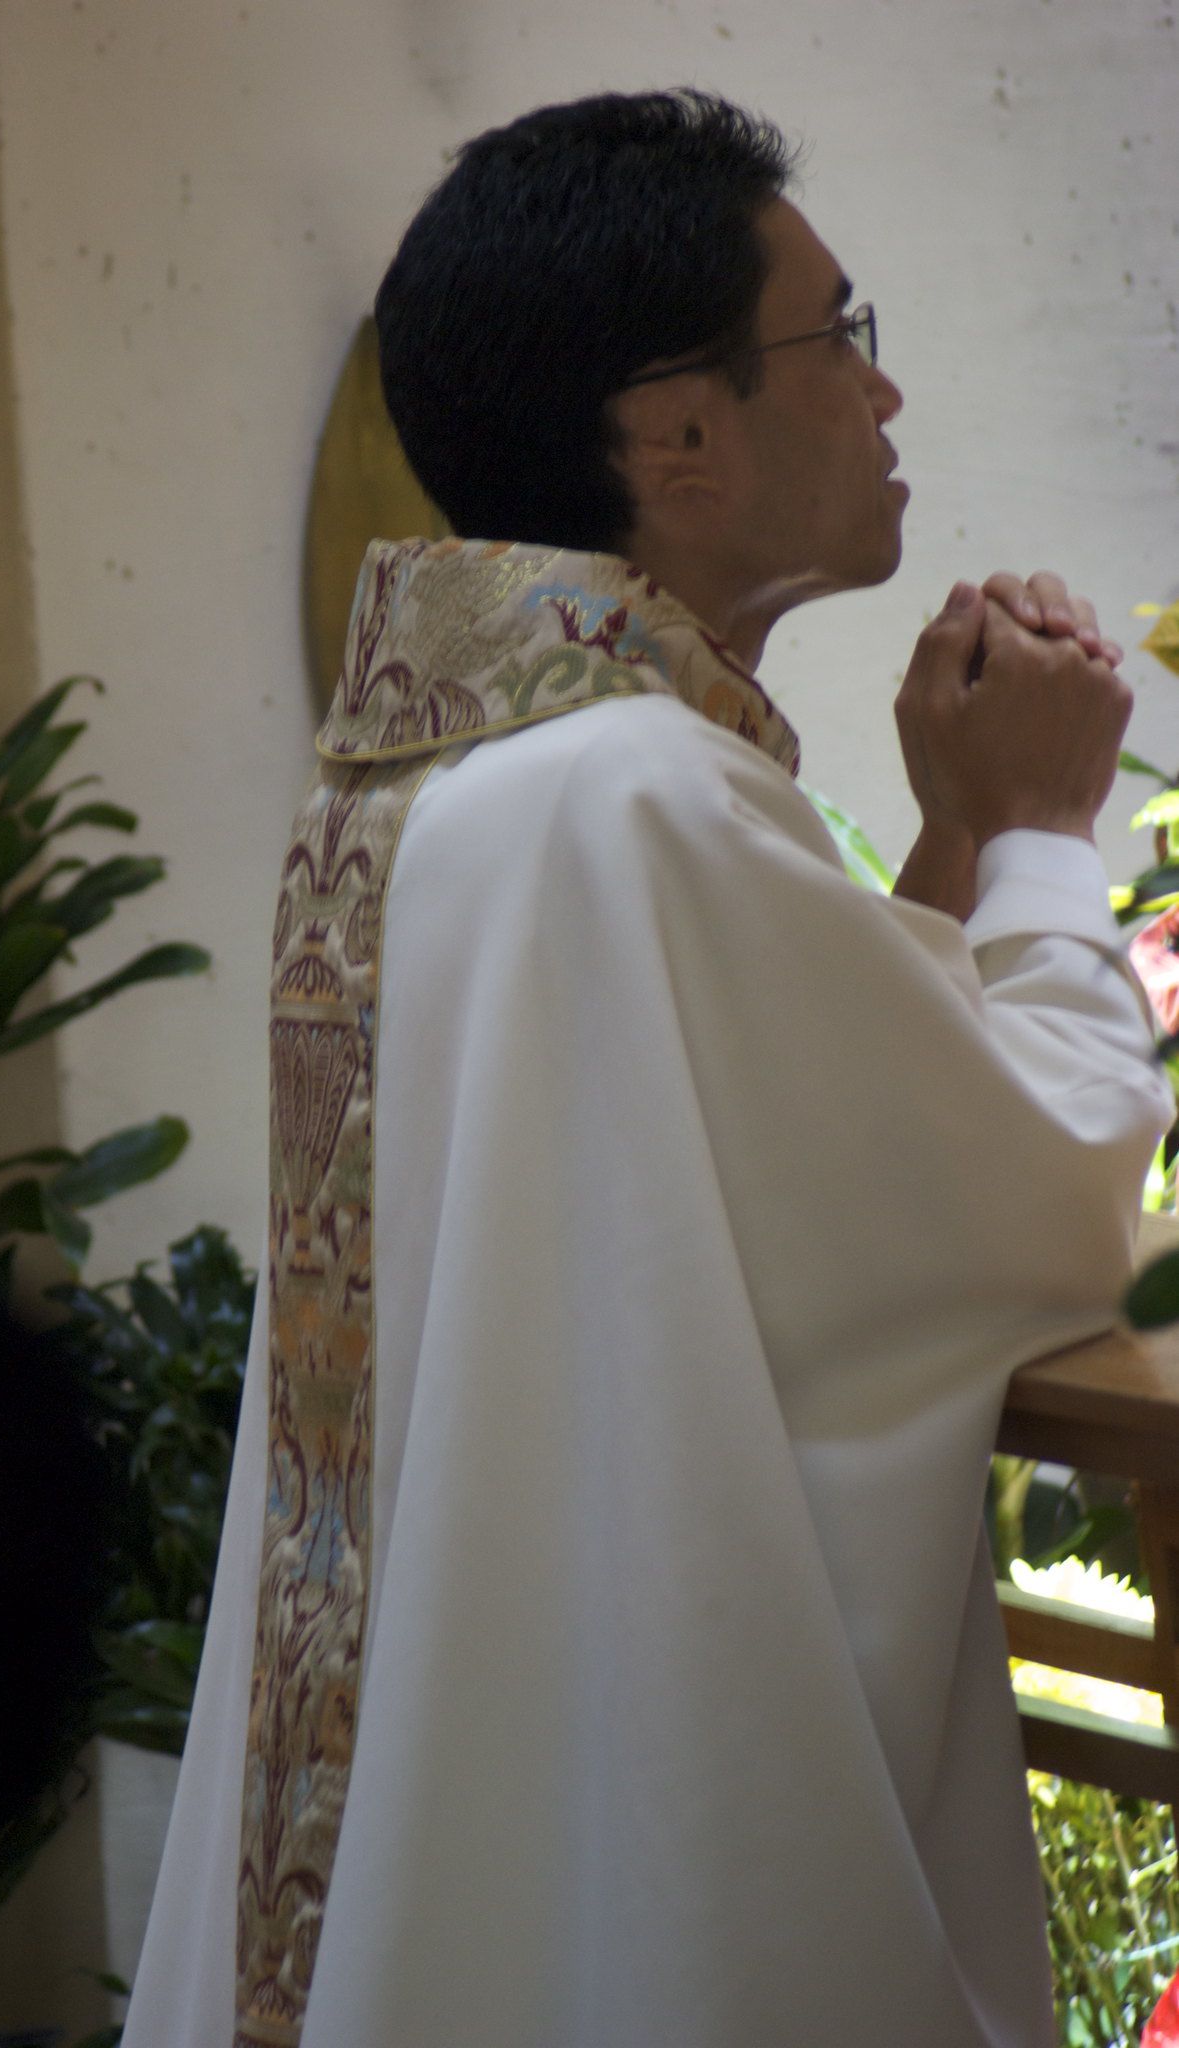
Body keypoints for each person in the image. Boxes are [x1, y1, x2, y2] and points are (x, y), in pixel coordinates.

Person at [124, 91, 1172, 2048]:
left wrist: (948, 833)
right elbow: (1045, 1203)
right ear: (678, 436)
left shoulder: (441, 774)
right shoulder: (632, 792)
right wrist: (1043, 828)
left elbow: (800, 1172)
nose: (884, 392)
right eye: (838, 336)